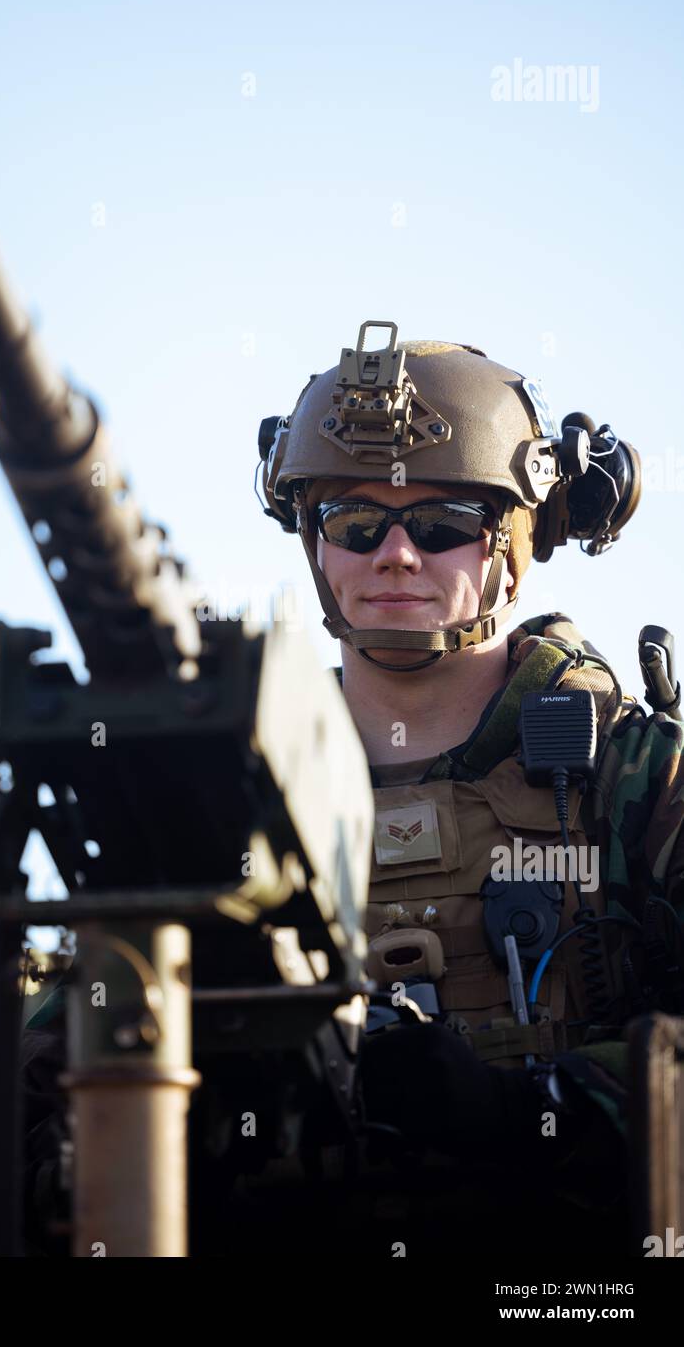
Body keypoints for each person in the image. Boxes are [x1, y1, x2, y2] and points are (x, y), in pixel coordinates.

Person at [256, 323, 684, 1254]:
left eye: (443, 523)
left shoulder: (637, 778)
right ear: (315, 547)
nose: (396, 555)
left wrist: (532, 1109)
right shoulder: (239, 803)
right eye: (356, 523)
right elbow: (42, 1078)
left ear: (510, 540)